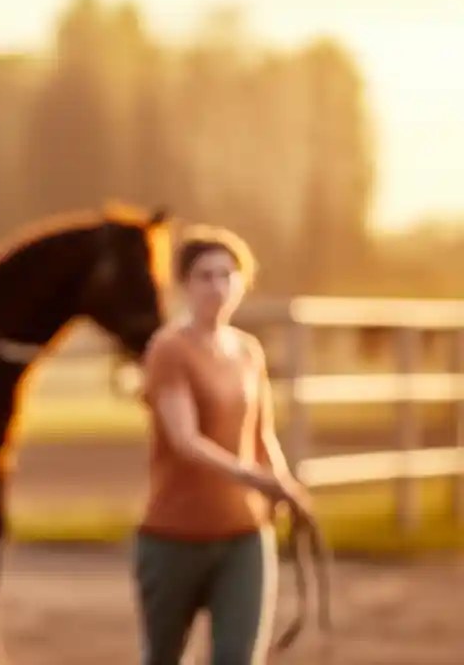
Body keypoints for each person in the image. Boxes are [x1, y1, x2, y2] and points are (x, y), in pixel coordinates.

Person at [134, 225, 316, 665]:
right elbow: (186, 440)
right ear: (184, 284)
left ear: (242, 282)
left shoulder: (248, 352)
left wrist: (282, 484)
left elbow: (261, 434)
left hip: (244, 537)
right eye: (204, 276)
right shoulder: (168, 350)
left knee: (236, 658)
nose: (218, 286)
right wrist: (254, 478)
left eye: (227, 275)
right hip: (173, 537)